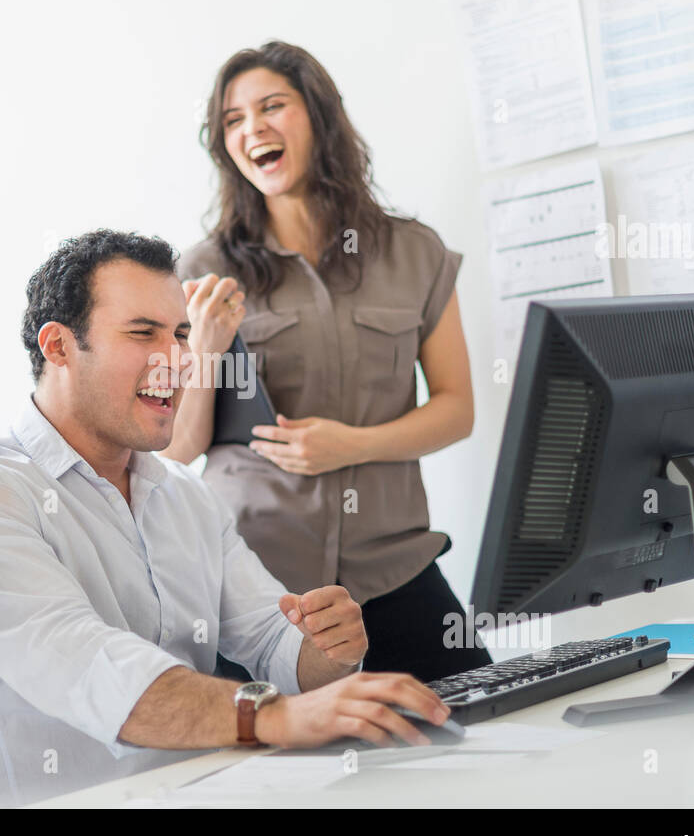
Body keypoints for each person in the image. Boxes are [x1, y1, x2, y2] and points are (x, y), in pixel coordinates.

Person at [0, 229, 452, 807]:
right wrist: (270, 716)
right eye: (144, 333)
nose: (177, 360)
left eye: (182, 335)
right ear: (59, 346)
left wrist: (327, 649)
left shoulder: (184, 496)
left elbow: (274, 641)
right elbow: (94, 671)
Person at [164, 41, 491, 684]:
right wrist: (202, 346)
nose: (252, 128)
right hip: (260, 588)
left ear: (319, 116)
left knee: (482, 722)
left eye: (272, 107)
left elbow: (457, 409)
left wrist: (352, 445)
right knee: (277, 776)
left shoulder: (415, 253)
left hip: (393, 568)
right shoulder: (200, 271)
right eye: (232, 120)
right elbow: (176, 449)